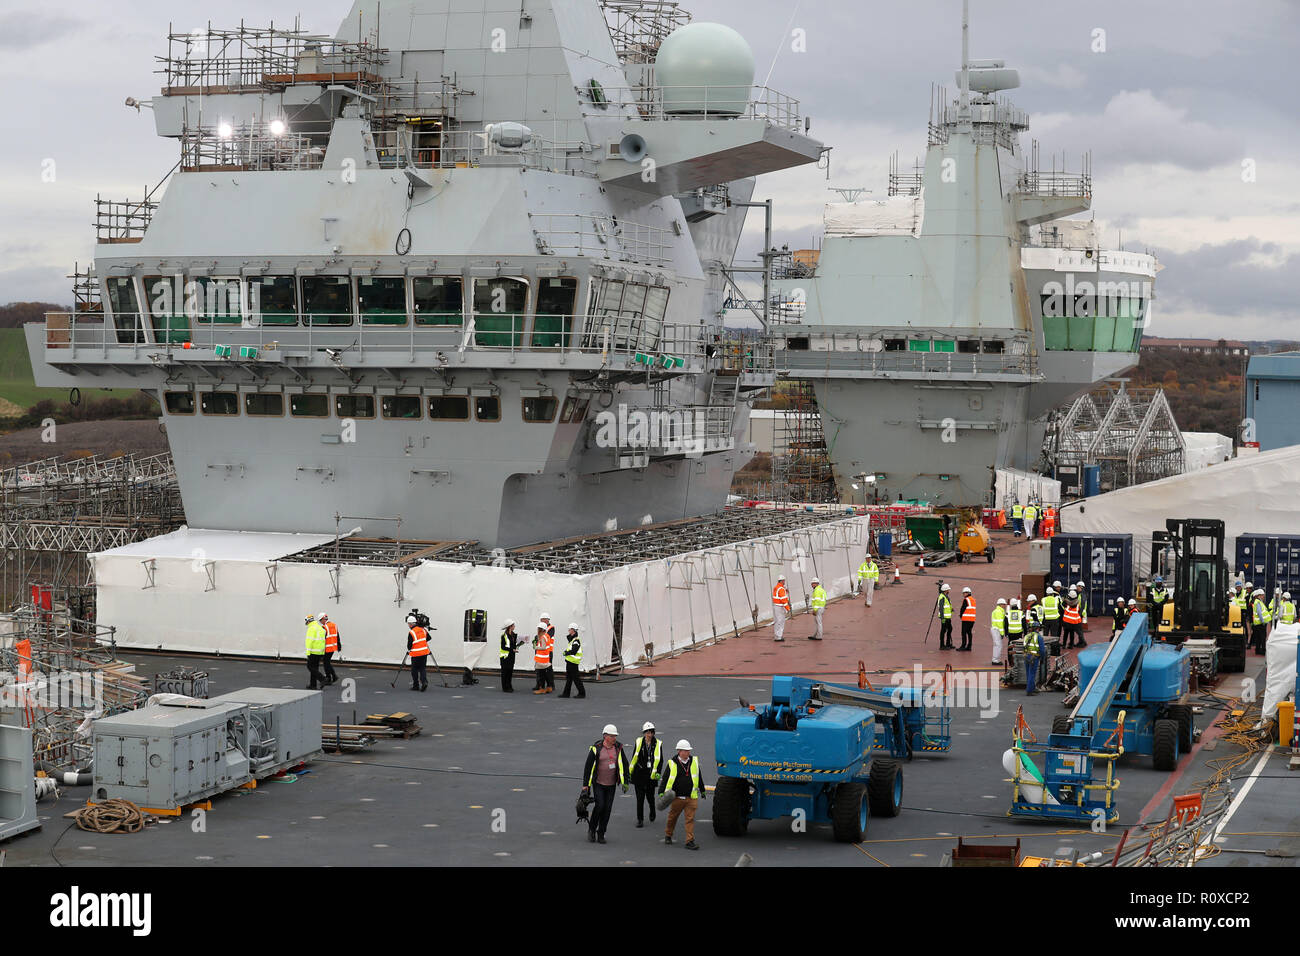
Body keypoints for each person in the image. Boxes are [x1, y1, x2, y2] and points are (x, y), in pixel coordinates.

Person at [582, 724, 629, 845]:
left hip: (611, 784)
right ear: (605, 736)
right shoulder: (596, 748)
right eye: (612, 736)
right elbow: (588, 768)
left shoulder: (618, 748)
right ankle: (592, 829)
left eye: (615, 736)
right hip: (598, 783)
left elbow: (624, 764)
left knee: (607, 809)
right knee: (600, 806)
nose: (615, 738)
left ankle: (601, 833)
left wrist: (625, 781)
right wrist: (585, 785)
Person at [660, 739, 706, 850]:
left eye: (688, 750)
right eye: (686, 751)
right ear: (679, 751)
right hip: (677, 798)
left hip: (691, 797)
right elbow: (665, 778)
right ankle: (668, 835)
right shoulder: (672, 763)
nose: (688, 752)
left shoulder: (693, 761)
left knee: (690, 819)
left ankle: (689, 841)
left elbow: (698, 776)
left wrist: (702, 790)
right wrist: (661, 792)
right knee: (673, 817)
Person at [628, 721, 663, 828]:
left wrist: (658, 773)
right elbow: (634, 757)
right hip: (639, 774)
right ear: (644, 733)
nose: (649, 734)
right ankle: (640, 819)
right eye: (647, 732)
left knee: (650, 797)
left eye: (651, 732)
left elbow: (660, 759)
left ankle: (652, 811)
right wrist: (630, 773)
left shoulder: (658, 744)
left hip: (651, 775)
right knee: (640, 798)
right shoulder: (639, 742)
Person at [559, 623, 586, 698]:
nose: (568, 630)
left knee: (576, 679)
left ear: (573, 630)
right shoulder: (573, 640)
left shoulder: (576, 640)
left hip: (573, 662)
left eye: (569, 629)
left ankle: (582, 693)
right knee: (569, 679)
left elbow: (574, 651)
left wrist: (566, 653)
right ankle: (566, 693)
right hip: (570, 662)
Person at [407, 612, 431, 691]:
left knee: (414, 670)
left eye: (408, 624)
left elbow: (409, 646)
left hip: (416, 654)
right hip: (424, 653)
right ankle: (424, 682)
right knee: (422, 668)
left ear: (411, 624)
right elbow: (429, 638)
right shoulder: (423, 630)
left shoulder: (411, 632)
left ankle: (416, 685)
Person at [304, 613, 327, 690]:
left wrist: (308, 653)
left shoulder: (311, 629)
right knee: (315, 668)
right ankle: (313, 685)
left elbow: (309, 642)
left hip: (313, 652)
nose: (306, 624)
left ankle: (322, 679)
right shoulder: (320, 628)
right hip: (320, 651)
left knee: (310, 667)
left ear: (308, 621)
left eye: (306, 622)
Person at [499, 619, 520, 692]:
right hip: (505, 657)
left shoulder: (514, 635)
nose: (514, 626)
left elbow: (515, 644)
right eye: (513, 625)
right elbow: (503, 647)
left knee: (510, 672)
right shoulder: (504, 636)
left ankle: (509, 686)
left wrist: (522, 640)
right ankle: (505, 687)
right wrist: (512, 650)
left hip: (511, 657)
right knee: (505, 673)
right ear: (509, 627)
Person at [533, 623, 554, 694]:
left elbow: (543, 647)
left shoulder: (542, 637)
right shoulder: (547, 636)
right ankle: (549, 687)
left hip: (541, 659)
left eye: (538, 628)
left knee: (541, 674)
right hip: (545, 658)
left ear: (541, 629)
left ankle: (541, 688)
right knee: (545, 674)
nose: (537, 630)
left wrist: (536, 647)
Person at [320, 612, 340, 686]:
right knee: (327, 662)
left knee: (326, 663)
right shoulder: (334, 625)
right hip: (333, 647)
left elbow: (322, 639)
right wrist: (339, 645)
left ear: (323, 619)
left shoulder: (324, 627)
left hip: (327, 648)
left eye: (320, 621)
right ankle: (334, 676)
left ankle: (329, 678)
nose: (320, 622)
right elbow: (337, 636)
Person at [1250, 588, 1272, 655]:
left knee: (1258, 638)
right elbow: (1259, 612)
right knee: (1262, 637)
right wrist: (1262, 621)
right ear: (1259, 595)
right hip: (1260, 623)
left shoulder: (1257, 602)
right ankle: (1262, 650)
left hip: (1257, 623)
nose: (1263, 596)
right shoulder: (1258, 602)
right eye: (1262, 595)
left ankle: (1258, 650)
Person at [772, 574, 791, 642]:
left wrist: (785, 590)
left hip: (775, 606)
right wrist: (788, 608)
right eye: (784, 581)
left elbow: (779, 594)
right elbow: (783, 600)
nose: (784, 582)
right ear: (782, 581)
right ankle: (779, 636)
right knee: (781, 621)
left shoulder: (776, 587)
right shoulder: (781, 589)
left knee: (777, 621)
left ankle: (777, 636)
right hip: (780, 607)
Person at [990, 597, 1007, 665]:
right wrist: (1002, 633)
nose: (1005, 605)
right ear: (1000, 604)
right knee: (998, 645)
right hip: (996, 630)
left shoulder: (998, 611)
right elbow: (1000, 623)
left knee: (997, 645)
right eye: (1004, 604)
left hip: (995, 629)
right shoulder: (998, 612)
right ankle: (995, 660)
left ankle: (995, 659)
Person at [936, 583, 954, 650]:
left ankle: (948, 644)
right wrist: (942, 617)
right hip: (944, 617)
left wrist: (951, 609)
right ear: (945, 590)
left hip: (948, 617)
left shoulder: (946, 596)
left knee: (950, 629)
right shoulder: (942, 597)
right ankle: (942, 645)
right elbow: (941, 608)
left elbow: (947, 605)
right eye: (948, 589)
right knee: (943, 630)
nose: (949, 590)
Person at [958, 586, 976, 652]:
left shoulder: (966, 600)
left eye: (964, 593)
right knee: (969, 632)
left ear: (967, 593)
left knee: (963, 633)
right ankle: (969, 646)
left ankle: (963, 646)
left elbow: (963, 608)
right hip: (972, 619)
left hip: (966, 619)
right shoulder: (973, 600)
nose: (963, 594)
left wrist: (961, 615)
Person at [1024, 628, 1041, 696]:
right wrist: (1041, 657)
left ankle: (1032, 687)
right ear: (1037, 629)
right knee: (1032, 674)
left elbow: (1024, 646)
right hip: (1034, 657)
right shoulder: (1038, 637)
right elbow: (1042, 649)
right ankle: (1029, 691)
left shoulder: (1026, 636)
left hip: (1026, 657)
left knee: (1028, 673)